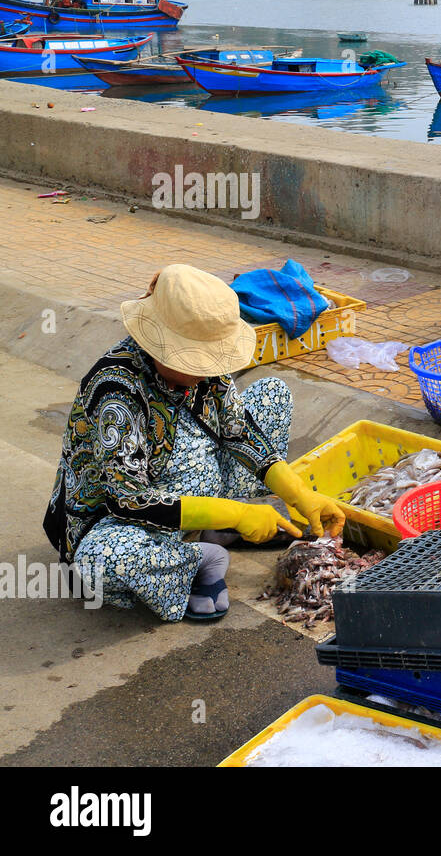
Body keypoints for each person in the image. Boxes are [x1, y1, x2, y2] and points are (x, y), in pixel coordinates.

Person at [42, 265, 345, 623]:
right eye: (195, 360)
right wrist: (237, 513)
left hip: (198, 494)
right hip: (126, 520)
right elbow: (128, 500)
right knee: (100, 560)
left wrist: (298, 493)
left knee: (272, 394)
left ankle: (213, 529)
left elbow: (239, 432)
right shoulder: (116, 391)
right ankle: (199, 558)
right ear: (161, 346)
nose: (207, 371)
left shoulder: (207, 373)